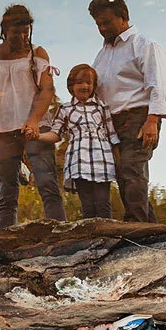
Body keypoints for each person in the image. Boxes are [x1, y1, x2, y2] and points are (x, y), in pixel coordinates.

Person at [88, 0, 166, 224]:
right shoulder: (102, 56)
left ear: (123, 16)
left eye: (106, 22)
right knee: (123, 177)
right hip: (111, 123)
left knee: (132, 171)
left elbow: (158, 83)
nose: (102, 28)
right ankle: (150, 229)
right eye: (98, 24)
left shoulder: (144, 45)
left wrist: (152, 121)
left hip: (139, 117)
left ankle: (136, 226)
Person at [0, 4, 66, 229]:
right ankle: (7, 238)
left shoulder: (37, 53)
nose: (21, 37)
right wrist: (6, 120)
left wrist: (33, 120)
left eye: (26, 32)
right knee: (7, 189)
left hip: (35, 126)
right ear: (4, 30)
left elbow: (47, 90)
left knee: (47, 183)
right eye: (16, 32)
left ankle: (60, 233)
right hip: (2, 130)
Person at [39, 64, 121, 219]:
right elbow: (56, 134)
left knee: (103, 202)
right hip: (79, 162)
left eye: (89, 83)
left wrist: (118, 159)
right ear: (71, 86)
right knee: (88, 204)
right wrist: (38, 136)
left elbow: (112, 134)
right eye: (80, 83)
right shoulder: (65, 109)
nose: (85, 86)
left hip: (102, 160)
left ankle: (108, 237)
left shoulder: (102, 108)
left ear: (94, 86)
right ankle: (92, 237)